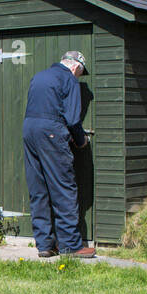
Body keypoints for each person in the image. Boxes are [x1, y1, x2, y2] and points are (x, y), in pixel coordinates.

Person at [22, 50, 95, 259]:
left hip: (29, 130)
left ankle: (45, 245)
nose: (79, 77)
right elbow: (72, 119)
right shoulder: (69, 79)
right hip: (51, 132)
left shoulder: (39, 76)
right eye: (80, 73)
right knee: (63, 187)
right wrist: (81, 141)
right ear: (75, 67)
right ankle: (71, 245)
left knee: (39, 187)